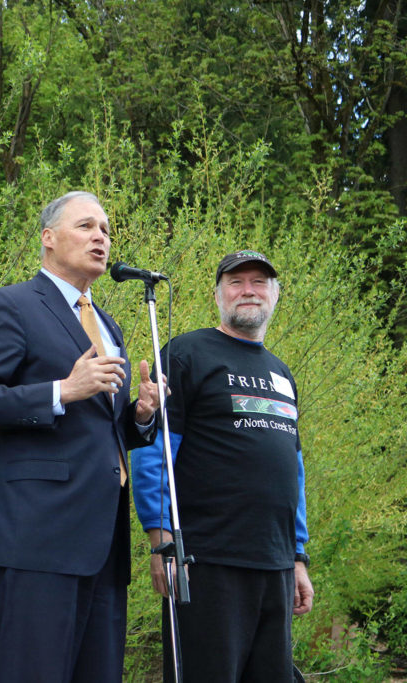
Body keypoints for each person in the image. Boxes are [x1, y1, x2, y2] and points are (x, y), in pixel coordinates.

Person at [0, 191, 161, 682]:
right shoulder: (12, 305)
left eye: (107, 230)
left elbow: (100, 430)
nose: (101, 238)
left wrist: (142, 415)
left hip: (102, 544)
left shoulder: (106, 324)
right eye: (87, 226)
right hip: (37, 538)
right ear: (48, 238)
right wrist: (61, 390)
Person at [131, 249, 314, 682]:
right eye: (236, 282)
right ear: (218, 295)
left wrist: (298, 557)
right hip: (206, 560)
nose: (247, 291)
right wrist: (162, 543)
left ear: (275, 294)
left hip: (274, 564)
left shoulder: (282, 373)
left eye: (258, 282)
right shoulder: (185, 354)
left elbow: (294, 470)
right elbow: (154, 452)